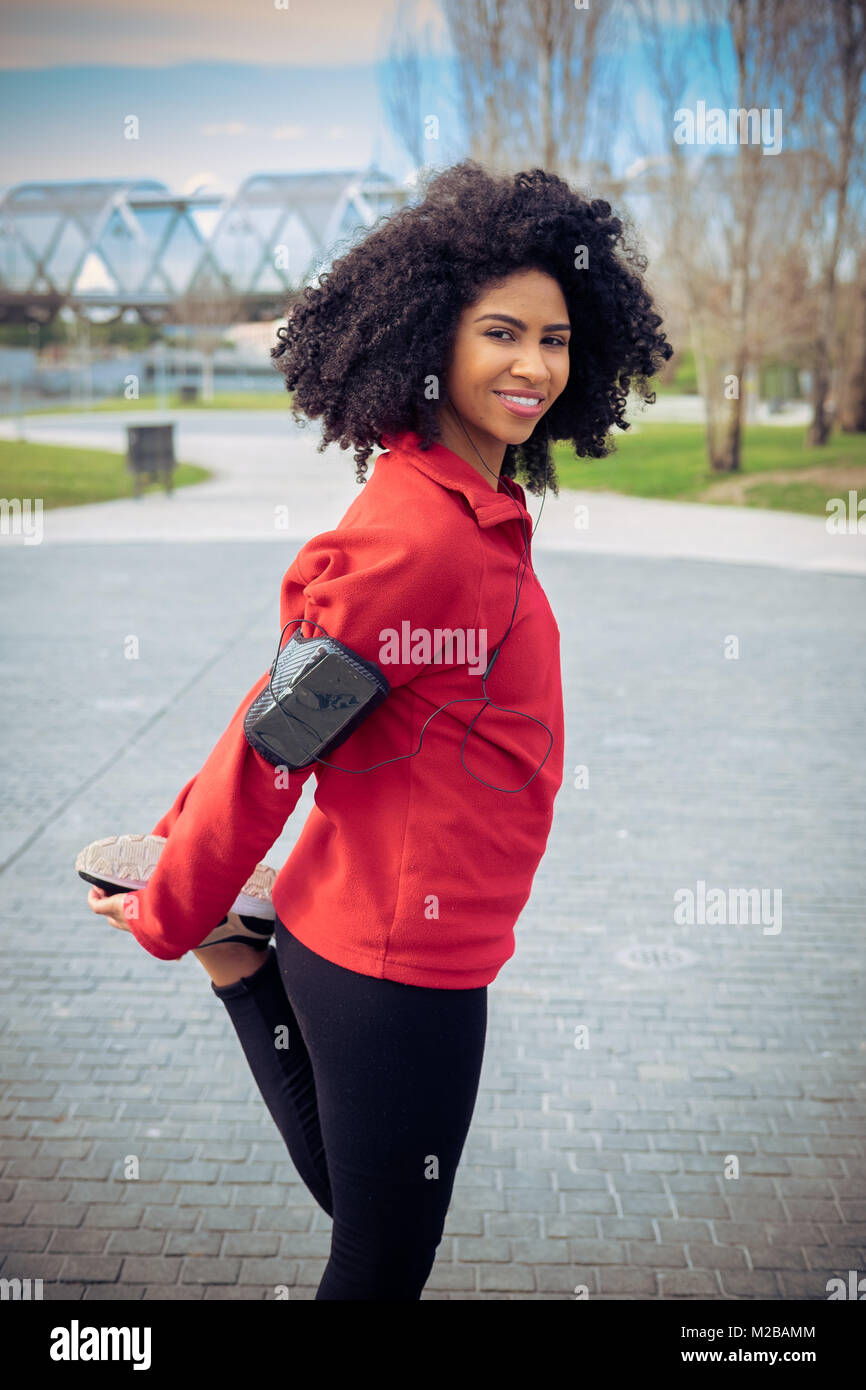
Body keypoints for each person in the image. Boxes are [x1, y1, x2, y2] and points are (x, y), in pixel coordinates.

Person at [86, 160, 672, 1300]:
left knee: (366, 1214)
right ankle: (226, 951)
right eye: (500, 332)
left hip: (381, 932)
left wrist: (186, 880)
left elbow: (291, 709)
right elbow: (274, 742)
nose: (534, 366)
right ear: (428, 340)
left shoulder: (462, 503)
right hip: (397, 958)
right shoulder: (418, 538)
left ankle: (239, 966)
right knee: (377, 1259)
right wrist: (171, 902)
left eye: (554, 339)